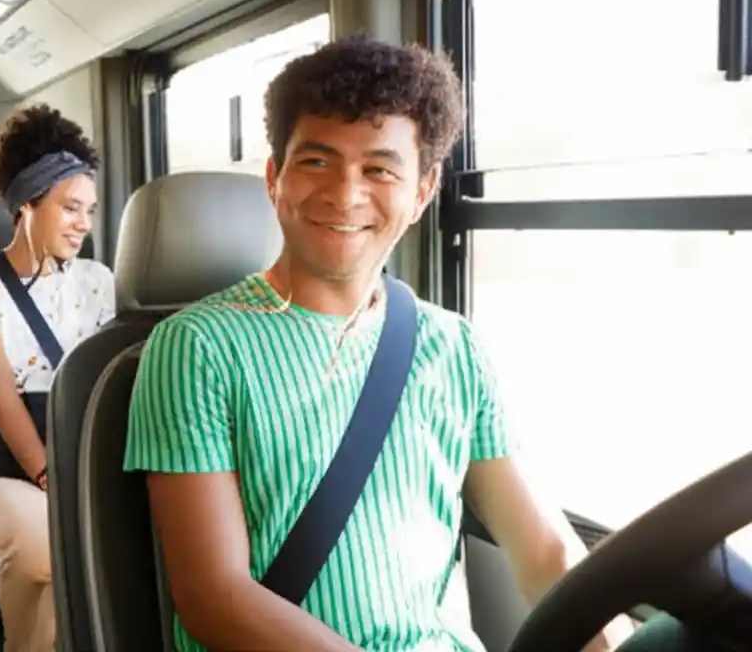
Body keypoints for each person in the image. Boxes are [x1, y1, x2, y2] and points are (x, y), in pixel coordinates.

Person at [122, 37, 640, 652]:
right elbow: (216, 597)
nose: (345, 196)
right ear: (274, 178)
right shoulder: (196, 349)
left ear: (422, 190)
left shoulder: (452, 346)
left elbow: (545, 550)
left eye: (380, 169)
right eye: (316, 162)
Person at [0, 104, 115, 651]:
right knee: (44, 540)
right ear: (25, 206)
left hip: (78, 461)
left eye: (91, 209)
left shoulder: (98, 281)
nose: (84, 223)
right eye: (70, 207)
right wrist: (50, 479)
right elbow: (3, 398)